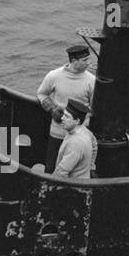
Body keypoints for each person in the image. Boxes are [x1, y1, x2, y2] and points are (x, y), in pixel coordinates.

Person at [36, 42, 95, 171]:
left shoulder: (91, 81)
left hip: (79, 136)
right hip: (57, 132)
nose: (88, 63)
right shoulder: (54, 76)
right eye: (85, 60)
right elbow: (41, 94)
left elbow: (93, 108)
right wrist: (52, 109)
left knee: (75, 170)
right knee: (51, 167)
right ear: (73, 60)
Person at [51, 99, 97, 179]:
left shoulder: (75, 144)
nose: (62, 118)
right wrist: (91, 167)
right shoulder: (85, 131)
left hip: (73, 188)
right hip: (84, 182)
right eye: (64, 114)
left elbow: (61, 173)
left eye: (67, 116)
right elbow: (94, 145)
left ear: (77, 121)